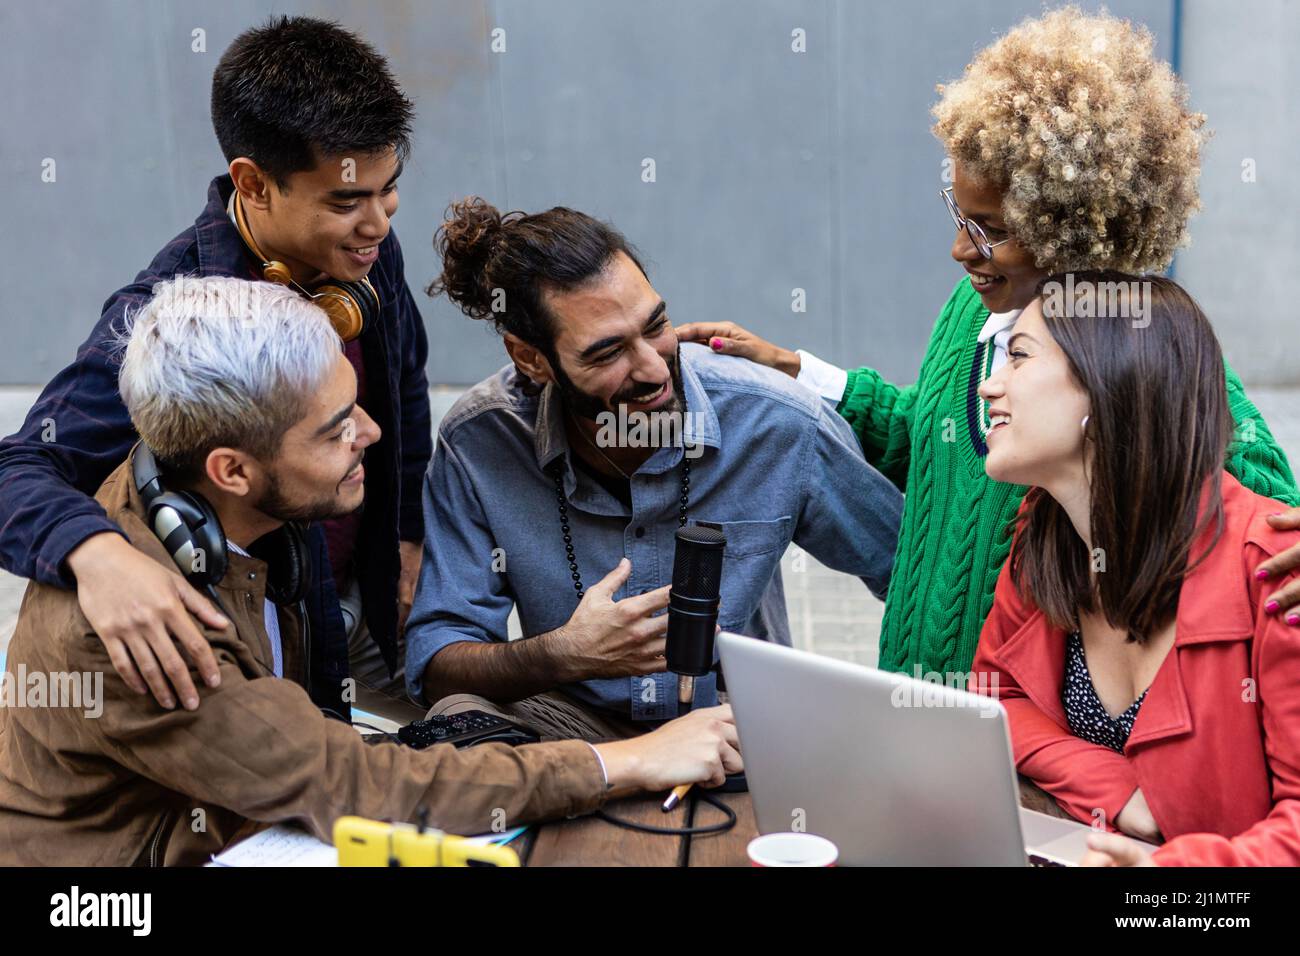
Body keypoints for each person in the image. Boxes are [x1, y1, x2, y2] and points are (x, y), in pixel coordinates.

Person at [0, 277, 742, 866]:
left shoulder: (193, 501)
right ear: (231, 469)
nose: (374, 434)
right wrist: (626, 761)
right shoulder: (147, 636)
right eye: (335, 429)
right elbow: (353, 787)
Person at [675, 7, 1300, 681]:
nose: (958, 250)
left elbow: (1264, 502)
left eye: (990, 229)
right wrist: (799, 371)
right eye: (959, 215)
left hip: (1026, 749)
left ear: (1074, 229)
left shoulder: (1145, 364)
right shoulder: (971, 311)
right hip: (915, 707)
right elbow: (930, 437)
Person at [0, 16, 432, 722]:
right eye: (346, 200)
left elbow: (406, 389)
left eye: (389, 190)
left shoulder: (369, 252)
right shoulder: (165, 321)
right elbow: (16, 470)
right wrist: (97, 555)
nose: (379, 222)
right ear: (253, 183)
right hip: (251, 647)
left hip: (364, 606)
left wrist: (407, 534)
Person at [404, 199, 903, 739]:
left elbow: (909, 576)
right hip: (570, 734)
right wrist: (564, 655)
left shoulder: (778, 421)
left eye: (655, 325)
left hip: (739, 729)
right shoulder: (480, 440)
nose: (651, 368)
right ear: (532, 360)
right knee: (452, 721)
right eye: (607, 352)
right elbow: (438, 663)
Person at [970, 274, 1300, 866]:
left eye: (1019, 357)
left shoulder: (1277, 569)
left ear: (1106, 384)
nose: (991, 386)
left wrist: (1168, 872)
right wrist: (1118, 791)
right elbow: (997, 695)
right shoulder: (1041, 534)